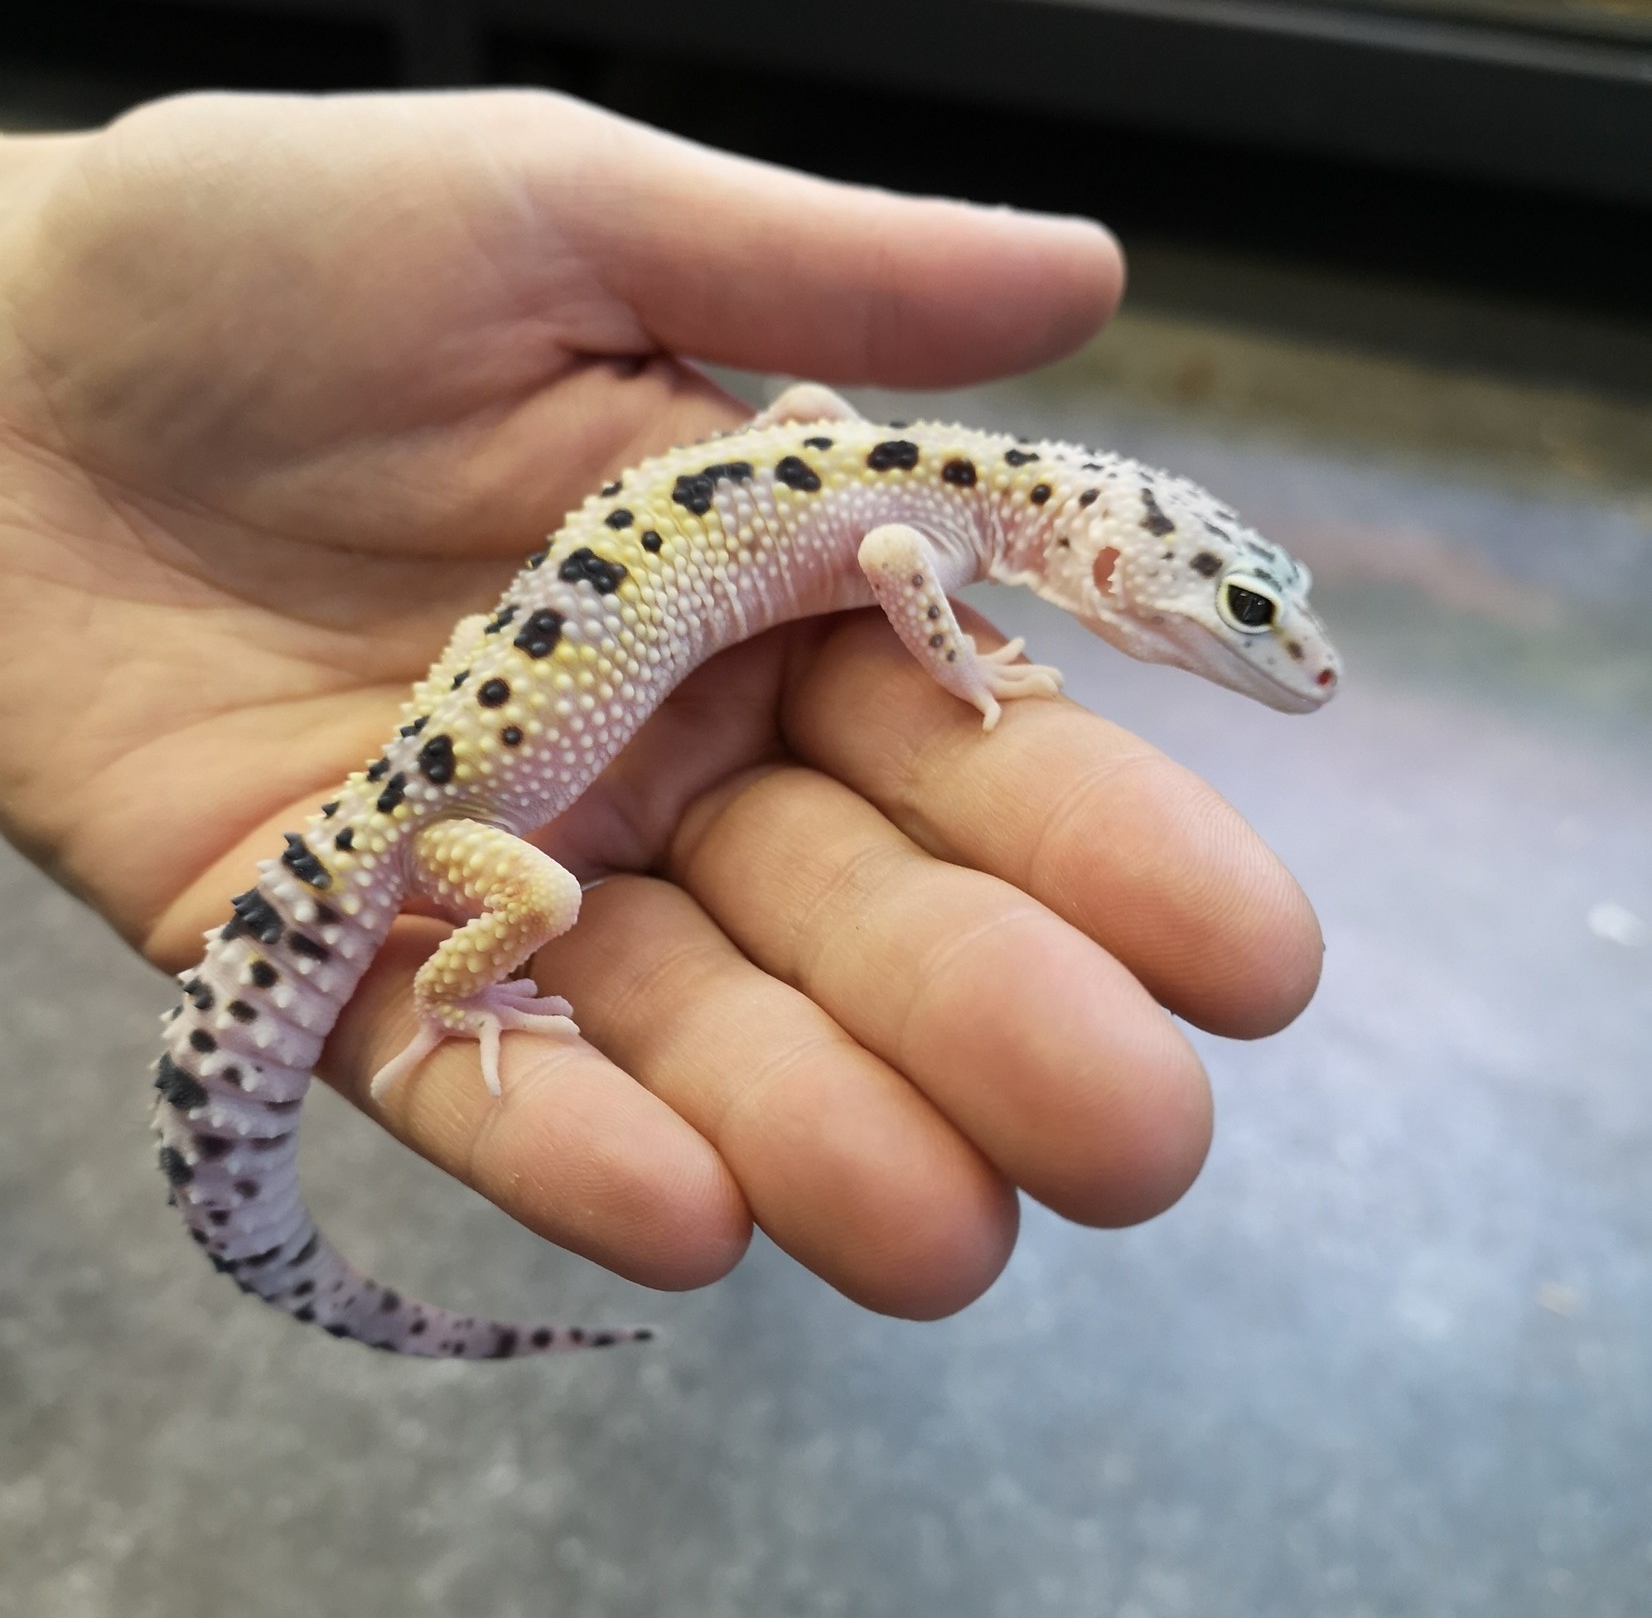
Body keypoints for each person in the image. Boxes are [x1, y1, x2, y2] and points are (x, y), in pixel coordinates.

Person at [0, 89, 1320, 1321]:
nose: (1281, 651)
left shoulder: (904, 464)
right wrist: (962, 673)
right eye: (1245, 616)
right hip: (433, 819)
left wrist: (783, 481)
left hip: (493, 707)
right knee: (551, 900)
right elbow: (889, 559)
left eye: (1259, 607)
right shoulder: (937, 516)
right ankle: (455, 1004)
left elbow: (808, 423)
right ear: (1102, 556)